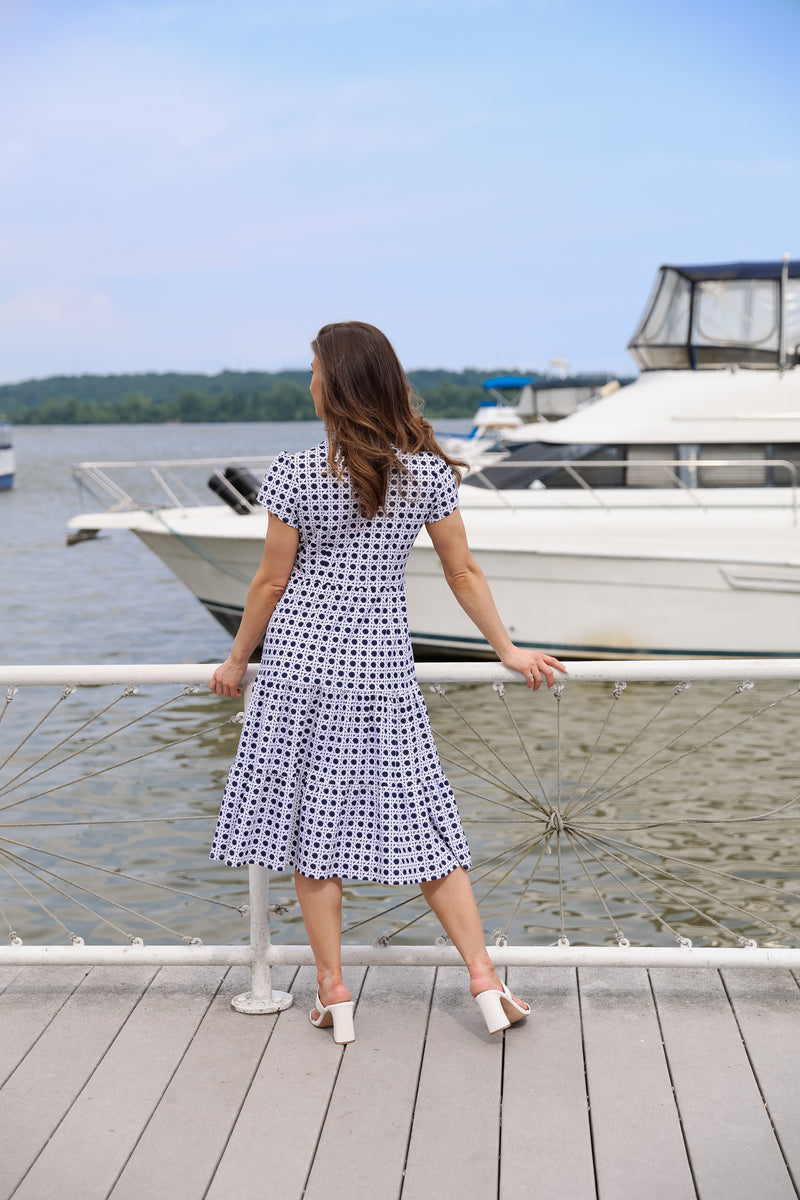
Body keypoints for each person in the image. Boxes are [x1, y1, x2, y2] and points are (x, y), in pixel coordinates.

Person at [209, 321, 566, 1043]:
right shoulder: (426, 473)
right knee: (427, 821)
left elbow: (271, 582)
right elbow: (462, 572)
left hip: (299, 669)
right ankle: (485, 980)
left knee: (311, 831)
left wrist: (236, 660)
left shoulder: (295, 472)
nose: (310, 382)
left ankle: (334, 994)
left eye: (314, 370)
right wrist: (506, 648)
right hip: (380, 671)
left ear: (336, 384)